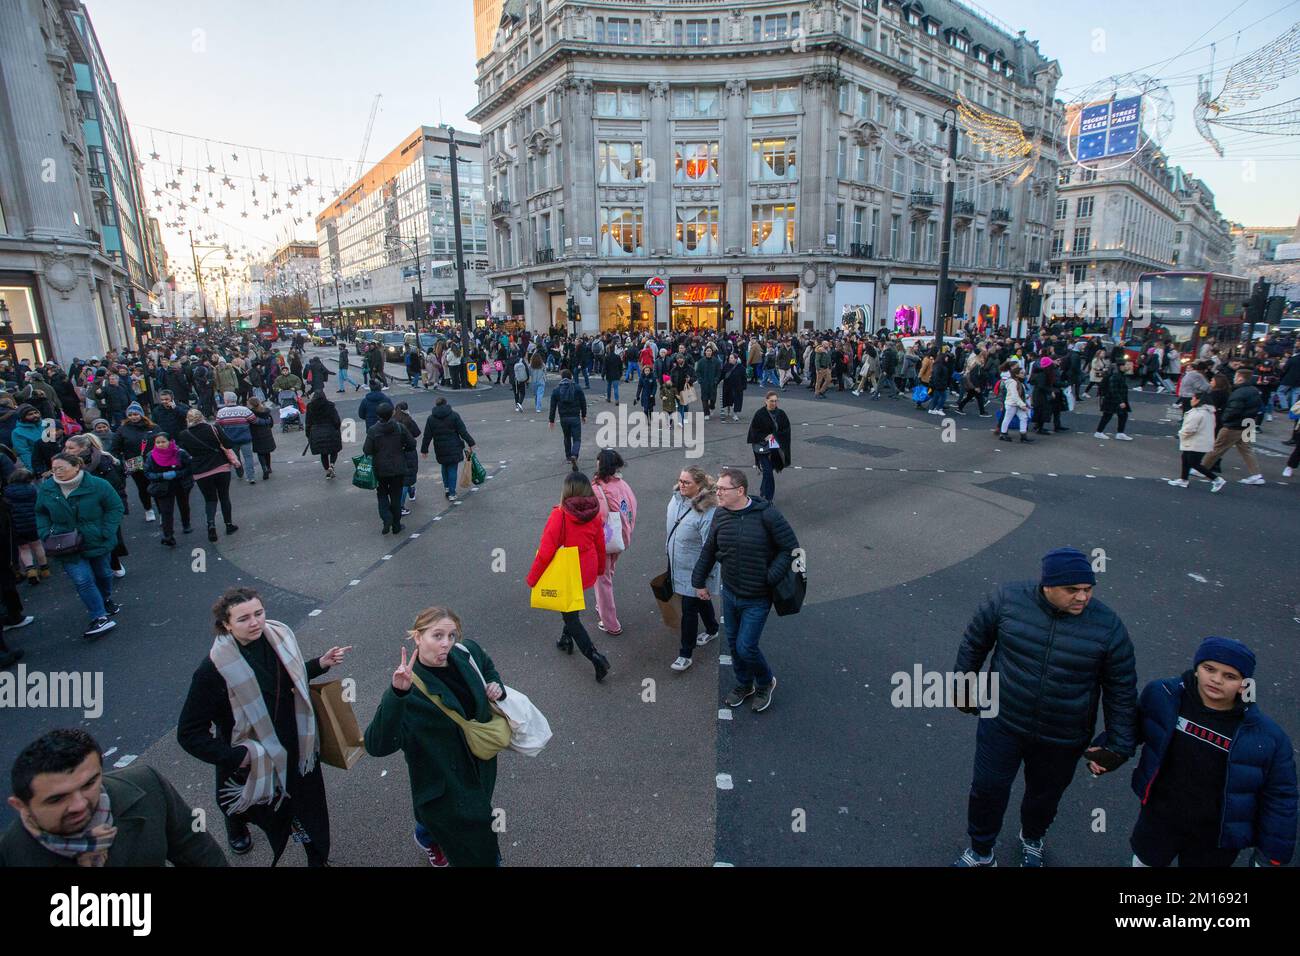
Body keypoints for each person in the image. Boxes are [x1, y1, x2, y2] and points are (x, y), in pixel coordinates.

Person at [952, 548, 1137, 867]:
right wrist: (963, 686)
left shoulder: (1109, 628)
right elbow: (974, 643)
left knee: (1044, 797)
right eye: (1073, 590)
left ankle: (1032, 837)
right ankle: (981, 851)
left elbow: (1121, 688)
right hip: (1003, 722)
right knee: (987, 789)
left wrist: (1119, 745)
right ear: (1047, 585)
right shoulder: (1006, 601)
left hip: (1062, 736)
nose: (1082, 597)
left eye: (1088, 590)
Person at [177, 587, 351, 864]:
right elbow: (188, 733)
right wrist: (238, 757)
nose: (255, 622)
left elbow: (287, 677)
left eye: (258, 613)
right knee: (248, 804)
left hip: (296, 744)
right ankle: (236, 822)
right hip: (250, 755)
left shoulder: (279, 637)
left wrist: (320, 664)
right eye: (243, 618)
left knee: (310, 807)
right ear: (226, 625)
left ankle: (317, 858)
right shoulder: (211, 671)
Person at [1124, 637, 1296, 868]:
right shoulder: (1163, 697)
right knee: (1145, 862)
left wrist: (1272, 854)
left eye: (1230, 676)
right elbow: (1134, 727)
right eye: (1209, 669)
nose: (1216, 680)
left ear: (1244, 684)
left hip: (1216, 836)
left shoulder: (1267, 737)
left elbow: (1280, 796)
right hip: (1160, 817)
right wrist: (1109, 750)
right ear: (1196, 669)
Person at [364, 606, 507, 867]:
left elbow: (486, 666)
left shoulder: (466, 653)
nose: (446, 644)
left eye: (452, 635)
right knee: (481, 851)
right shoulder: (409, 687)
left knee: (441, 823)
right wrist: (396, 694)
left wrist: (495, 684)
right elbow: (377, 745)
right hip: (444, 786)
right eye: (437, 635)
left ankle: (425, 834)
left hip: (479, 768)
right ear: (418, 637)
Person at [2, 728, 226, 867]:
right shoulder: (11, 854)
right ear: (20, 805)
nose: (80, 805)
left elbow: (199, 850)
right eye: (57, 799)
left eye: (90, 784)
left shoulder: (147, 784)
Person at [691, 467, 797, 714]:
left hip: (758, 597)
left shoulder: (767, 515)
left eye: (722, 489)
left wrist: (769, 577)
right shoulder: (720, 515)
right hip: (731, 592)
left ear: (740, 491)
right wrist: (698, 582)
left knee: (746, 646)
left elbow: (790, 548)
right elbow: (709, 549)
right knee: (733, 642)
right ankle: (744, 684)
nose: (717, 492)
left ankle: (765, 682)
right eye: (716, 487)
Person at [524, 470, 611, 682]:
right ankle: (565, 639)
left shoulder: (560, 515)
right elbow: (600, 545)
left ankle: (594, 656)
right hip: (585, 569)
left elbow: (545, 553)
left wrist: (533, 578)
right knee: (570, 606)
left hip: (567, 573)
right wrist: (600, 568)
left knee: (571, 618)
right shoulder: (595, 513)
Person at [34, 452, 124, 640]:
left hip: (96, 539)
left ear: (76, 467)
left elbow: (115, 507)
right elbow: (40, 512)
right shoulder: (48, 488)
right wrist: (45, 533)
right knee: (83, 580)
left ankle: (105, 598)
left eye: (61, 468)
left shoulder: (98, 485)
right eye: (54, 469)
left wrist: (106, 531)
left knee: (104, 574)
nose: (57, 473)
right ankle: (99, 616)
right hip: (65, 543)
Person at [667, 466, 720, 672]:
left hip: (694, 570)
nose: (681, 485)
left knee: (689, 611)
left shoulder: (708, 512)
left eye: (686, 482)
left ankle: (685, 654)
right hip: (676, 562)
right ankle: (713, 628)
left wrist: (703, 579)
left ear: (699, 485)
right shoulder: (676, 499)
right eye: (680, 480)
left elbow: (710, 547)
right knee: (699, 601)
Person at [1198, 367, 1266, 492]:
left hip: (1234, 425)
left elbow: (1233, 410)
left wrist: (1224, 420)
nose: (1234, 378)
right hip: (1249, 423)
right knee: (1247, 449)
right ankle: (1256, 475)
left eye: (1236, 376)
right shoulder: (1254, 390)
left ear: (1240, 378)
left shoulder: (1239, 392)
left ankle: (1202, 469)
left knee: (1218, 447)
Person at [591, 449, 636, 637]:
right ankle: (600, 605)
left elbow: (597, 516)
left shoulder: (599, 488)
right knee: (608, 573)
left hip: (604, 540)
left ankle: (611, 623)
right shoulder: (622, 484)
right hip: (621, 537)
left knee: (602, 580)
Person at [176, 408, 238, 543]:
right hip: (220, 465)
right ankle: (228, 525)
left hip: (200, 471)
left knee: (210, 500)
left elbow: (183, 453)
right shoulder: (213, 428)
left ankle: (211, 524)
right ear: (202, 417)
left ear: (188, 420)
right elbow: (228, 443)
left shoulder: (184, 435)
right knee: (224, 496)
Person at [362, 403, 416, 535]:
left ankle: (386, 517)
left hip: (380, 468)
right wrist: (402, 448)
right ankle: (396, 525)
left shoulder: (373, 430)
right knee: (396, 496)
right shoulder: (399, 427)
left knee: (382, 494)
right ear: (392, 413)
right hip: (398, 467)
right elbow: (412, 444)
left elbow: (366, 450)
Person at [141, 433, 194, 546]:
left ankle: (186, 524)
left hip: (181, 484)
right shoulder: (151, 456)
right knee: (166, 511)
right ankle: (168, 536)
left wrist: (177, 474)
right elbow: (147, 473)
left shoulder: (180, 453)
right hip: (162, 487)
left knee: (183, 504)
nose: (161, 445)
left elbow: (189, 468)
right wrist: (162, 476)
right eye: (158, 442)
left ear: (170, 441)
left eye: (163, 442)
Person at [110, 403, 161, 521]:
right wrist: (119, 461)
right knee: (143, 488)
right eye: (131, 414)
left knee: (158, 486)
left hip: (154, 461)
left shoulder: (153, 427)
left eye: (136, 414)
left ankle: (162, 511)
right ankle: (148, 509)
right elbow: (115, 448)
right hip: (134, 462)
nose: (134, 417)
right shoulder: (122, 429)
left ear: (141, 414)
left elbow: (163, 441)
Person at [420, 397, 476, 503]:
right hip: (454, 446)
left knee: (444, 466)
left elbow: (427, 435)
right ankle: (452, 493)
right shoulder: (454, 415)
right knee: (452, 469)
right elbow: (462, 431)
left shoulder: (431, 418)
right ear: (446, 404)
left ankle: (446, 488)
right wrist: (471, 442)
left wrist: (424, 449)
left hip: (440, 447)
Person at [5, 468, 47, 585]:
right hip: (32, 523)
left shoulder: (7, 491)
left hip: (16, 525)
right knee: (37, 545)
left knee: (23, 549)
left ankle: (31, 570)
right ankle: (44, 569)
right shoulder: (33, 489)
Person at [747, 391, 792, 503]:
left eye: (776, 401)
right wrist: (765, 436)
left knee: (768, 470)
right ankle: (768, 498)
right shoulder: (759, 414)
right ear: (766, 401)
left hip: (775, 445)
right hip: (762, 447)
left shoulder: (781, 414)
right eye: (771, 401)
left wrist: (775, 436)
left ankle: (763, 491)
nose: (774, 403)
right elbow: (753, 432)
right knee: (768, 471)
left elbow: (786, 429)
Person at [1167, 393, 1218, 489]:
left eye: (1193, 398)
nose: (1191, 400)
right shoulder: (1209, 413)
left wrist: (1180, 434)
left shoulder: (1197, 413)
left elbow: (1189, 429)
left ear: (1198, 400)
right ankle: (1183, 479)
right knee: (1185, 458)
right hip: (1202, 441)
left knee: (1193, 463)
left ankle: (1216, 479)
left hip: (1195, 441)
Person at [215, 391, 257, 485]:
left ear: (226, 400)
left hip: (231, 439)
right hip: (245, 438)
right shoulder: (244, 410)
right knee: (248, 457)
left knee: (236, 458)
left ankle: (239, 472)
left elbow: (218, 426)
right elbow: (253, 420)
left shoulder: (221, 412)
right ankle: (251, 477)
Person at [548, 368, 587, 466]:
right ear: (571, 377)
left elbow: (553, 406)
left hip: (563, 417)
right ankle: (575, 454)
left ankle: (568, 456)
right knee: (577, 438)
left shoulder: (556, 390)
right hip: (575, 416)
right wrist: (584, 415)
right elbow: (583, 402)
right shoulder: (577, 388)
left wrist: (551, 420)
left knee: (566, 437)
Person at [304, 391, 343, 479]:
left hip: (316, 431)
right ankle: (332, 464)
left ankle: (327, 471)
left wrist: (308, 434)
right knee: (334, 450)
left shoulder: (310, 407)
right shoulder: (330, 406)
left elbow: (308, 422)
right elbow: (336, 420)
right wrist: (337, 428)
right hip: (330, 430)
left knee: (323, 453)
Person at [1094, 359, 1133, 440]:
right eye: (1127, 365)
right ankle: (1099, 432)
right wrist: (1121, 401)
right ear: (1121, 366)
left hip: (1115, 399)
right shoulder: (1116, 375)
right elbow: (1113, 389)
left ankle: (1120, 433)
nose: (1129, 366)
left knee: (1122, 415)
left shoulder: (1120, 374)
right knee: (1107, 415)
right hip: (1112, 399)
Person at [246, 396, 277, 481]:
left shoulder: (251, 413)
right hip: (267, 433)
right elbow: (271, 423)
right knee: (267, 451)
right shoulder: (266, 411)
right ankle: (269, 467)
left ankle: (264, 468)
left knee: (260, 453)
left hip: (256, 434)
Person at [720, 352, 747, 423]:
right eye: (729, 358)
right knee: (728, 399)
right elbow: (722, 375)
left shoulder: (741, 367)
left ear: (736, 359)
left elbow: (744, 378)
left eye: (732, 358)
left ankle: (735, 414)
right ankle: (728, 410)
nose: (730, 359)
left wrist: (744, 386)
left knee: (737, 400)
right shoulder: (726, 366)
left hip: (737, 387)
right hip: (727, 386)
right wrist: (716, 381)